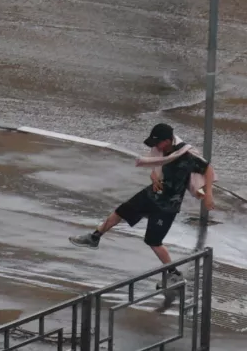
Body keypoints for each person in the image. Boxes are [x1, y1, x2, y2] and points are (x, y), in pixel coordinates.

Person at [69, 123, 216, 289]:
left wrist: (208, 194)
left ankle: (174, 274)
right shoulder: (160, 152)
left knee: (153, 241)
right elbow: (155, 169)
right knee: (121, 211)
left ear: (168, 141)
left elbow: (208, 170)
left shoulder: (187, 155)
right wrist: (154, 179)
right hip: (151, 195)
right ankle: (94, 237)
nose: (155, 146)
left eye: (157, 142)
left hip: (167, 205)